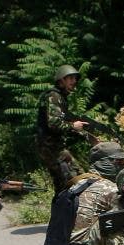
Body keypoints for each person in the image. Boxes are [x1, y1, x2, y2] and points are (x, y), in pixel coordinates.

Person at [36, 64, 90, 192]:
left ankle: (62, 210)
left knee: (63, 185)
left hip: (53, 146)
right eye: (70, 78)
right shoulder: (54, 96)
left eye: (75, 78)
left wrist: (83, 134)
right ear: (61, 80)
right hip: (51, 148)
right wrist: (74, 126)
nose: (74, 81)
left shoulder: (60, 97)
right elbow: (54, 123)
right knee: (77, 180)